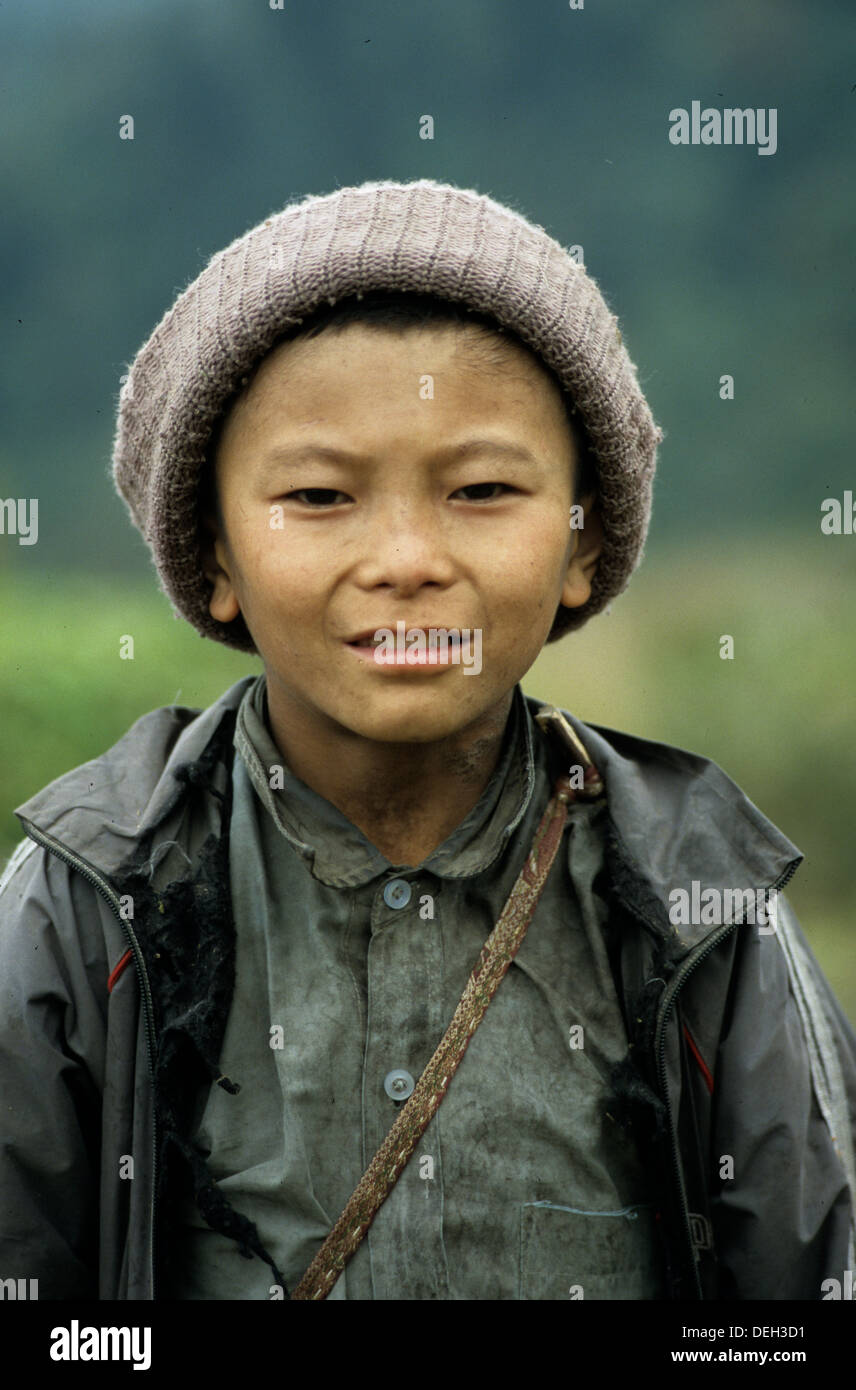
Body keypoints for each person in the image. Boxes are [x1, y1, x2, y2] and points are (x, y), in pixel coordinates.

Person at [2, 178, 854, 1302]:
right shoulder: (94, 893)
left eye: (482, 488)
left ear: (583, 544)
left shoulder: (695, 896)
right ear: (212, 559)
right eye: (317, 495)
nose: (406, 557)